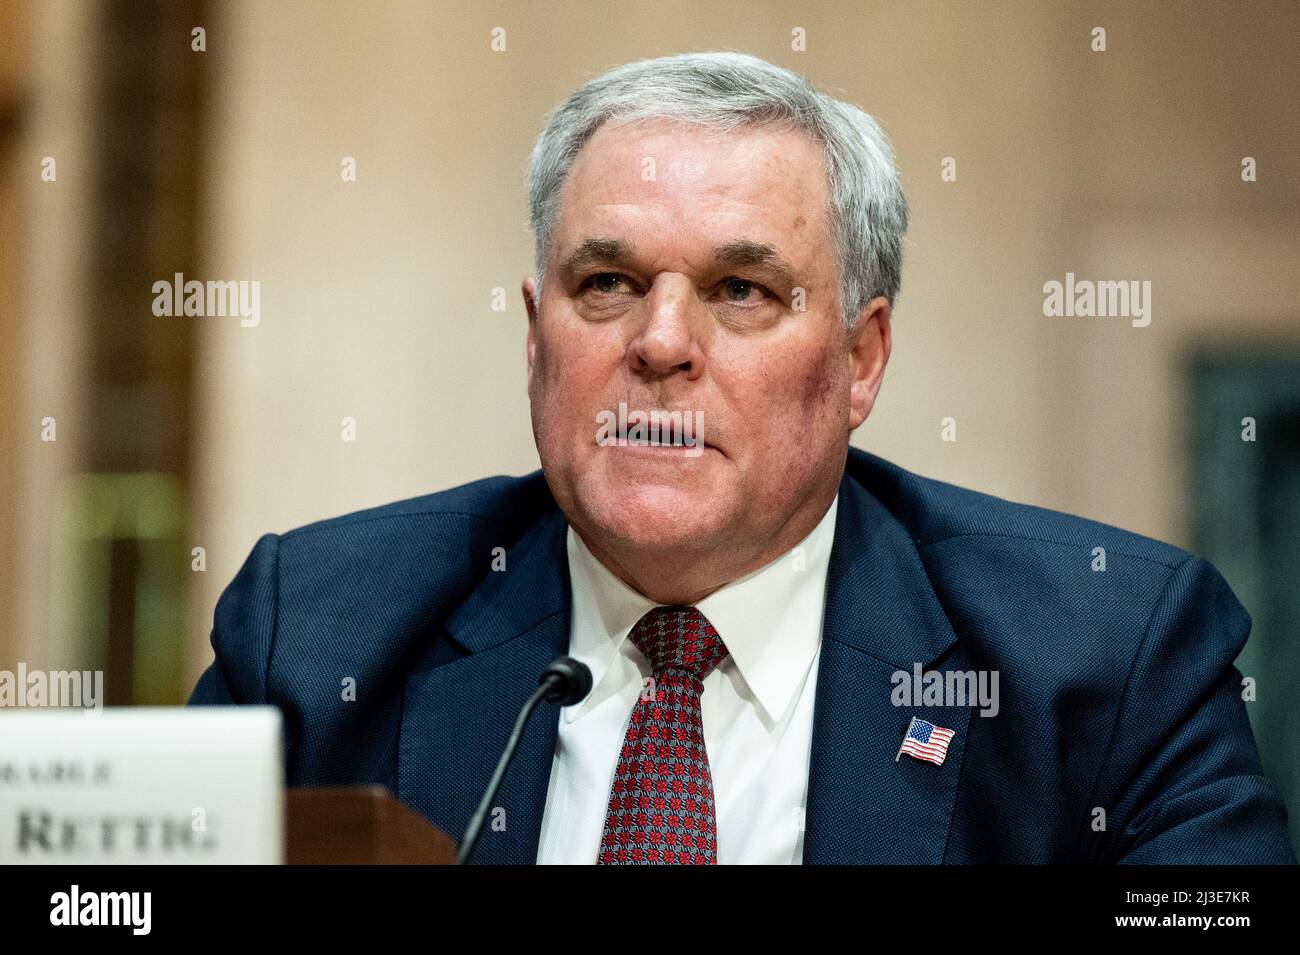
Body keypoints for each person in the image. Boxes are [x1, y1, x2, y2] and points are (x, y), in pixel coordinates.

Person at [190, 51, 1294, 865]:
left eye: (741, 291)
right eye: (607, 284)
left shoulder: (1106, 661)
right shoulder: (318, 635)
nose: (660, 343)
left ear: (861, 359)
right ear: (535, 339)